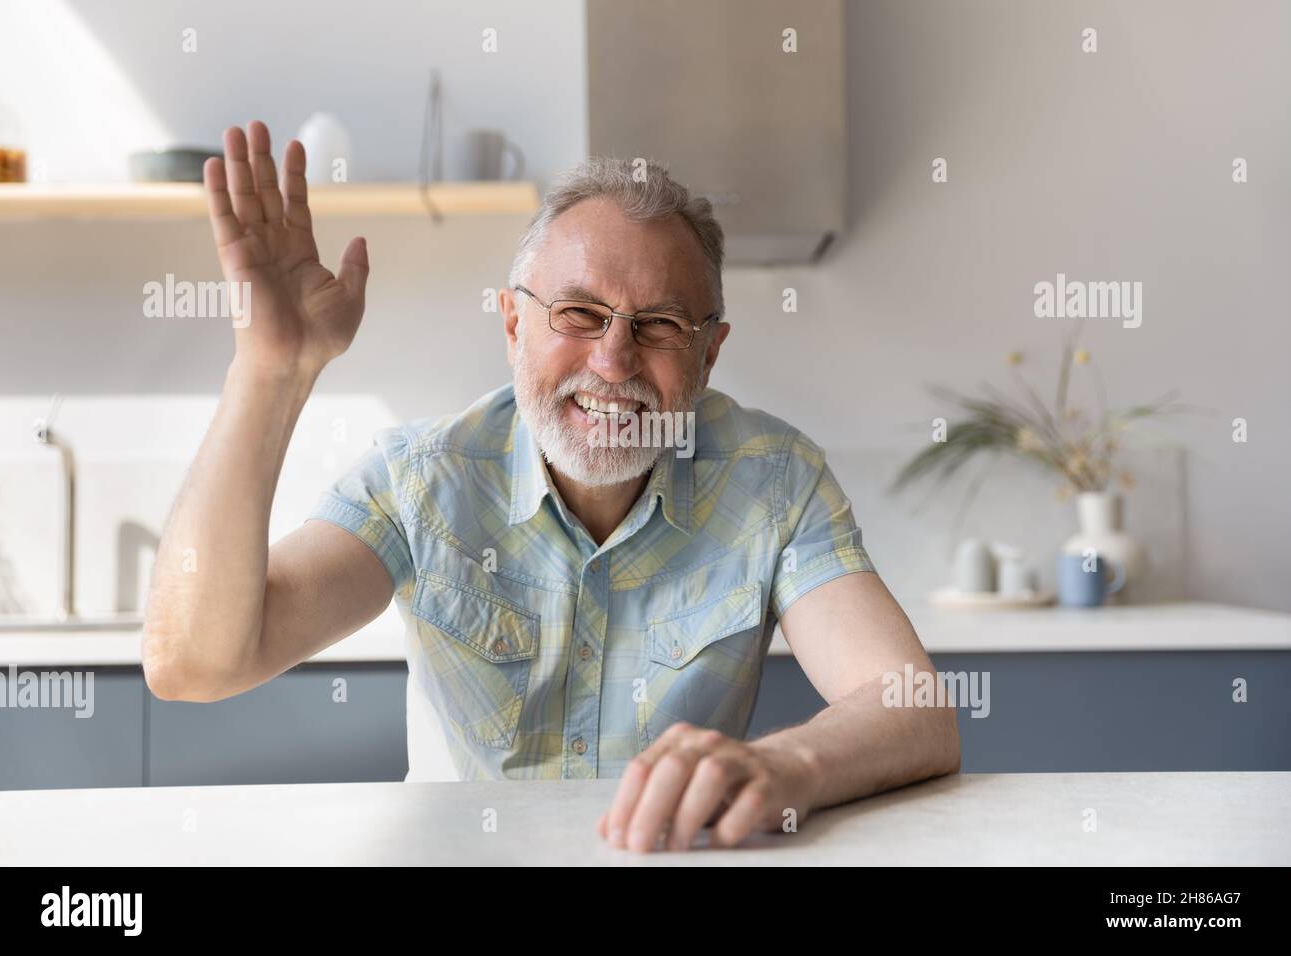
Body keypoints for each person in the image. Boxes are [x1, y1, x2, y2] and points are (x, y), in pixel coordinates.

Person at [142, 120, 959, 854]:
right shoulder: (420, 479)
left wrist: (786, 766)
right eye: (577, 313)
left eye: (662, 326)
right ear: (512, 325)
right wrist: (271, 369)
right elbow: (194, 664)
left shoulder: (771, 480)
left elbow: (914, 705)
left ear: (709, 356)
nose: (613, 361)